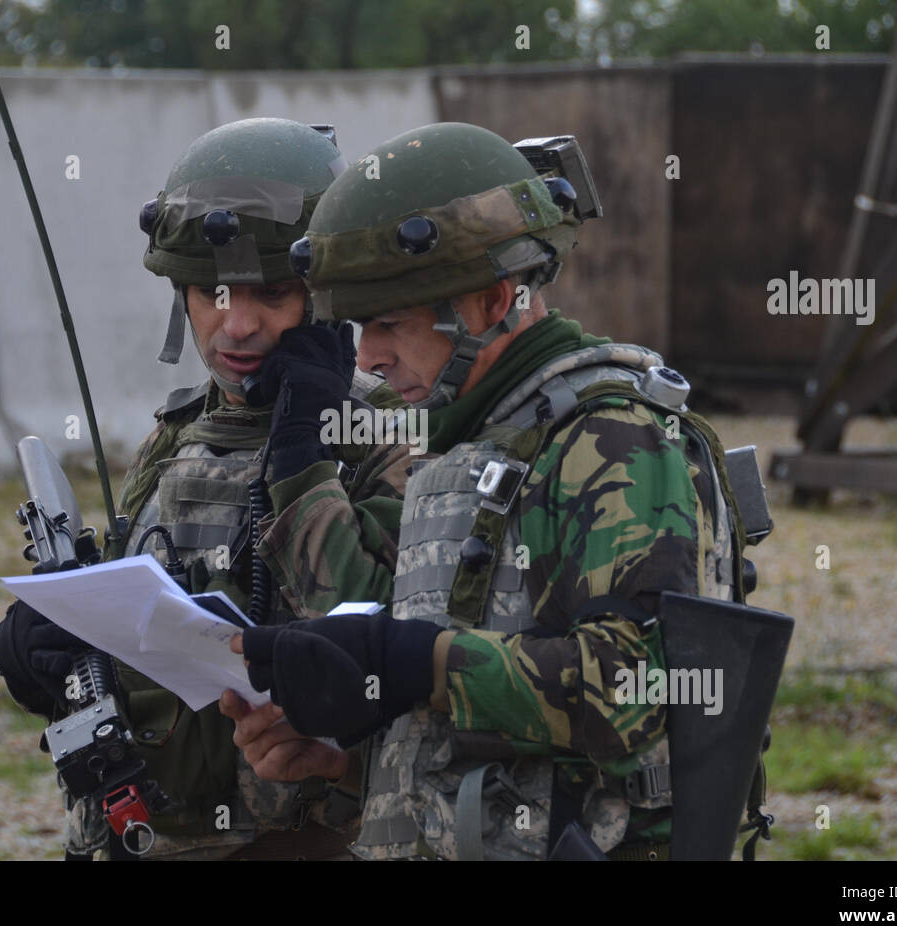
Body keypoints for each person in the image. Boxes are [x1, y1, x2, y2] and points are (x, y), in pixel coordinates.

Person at [227, 121, 751, 860]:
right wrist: (346, 768)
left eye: (388, 324)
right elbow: (490, 752)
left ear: (494, 300)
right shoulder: (468, 450)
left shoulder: (613, 438)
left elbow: (637, 692)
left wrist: (411, 659)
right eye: (354, 328)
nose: (368, 359)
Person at [0, 117, 411, 860]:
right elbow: (144, 611)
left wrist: (301, 457)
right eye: (211, 294)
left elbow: (382, 650)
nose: (236, 325)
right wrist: (48, 651)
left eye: (273, 295)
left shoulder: (391, 434)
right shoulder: (179, 431)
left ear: (324, 297)